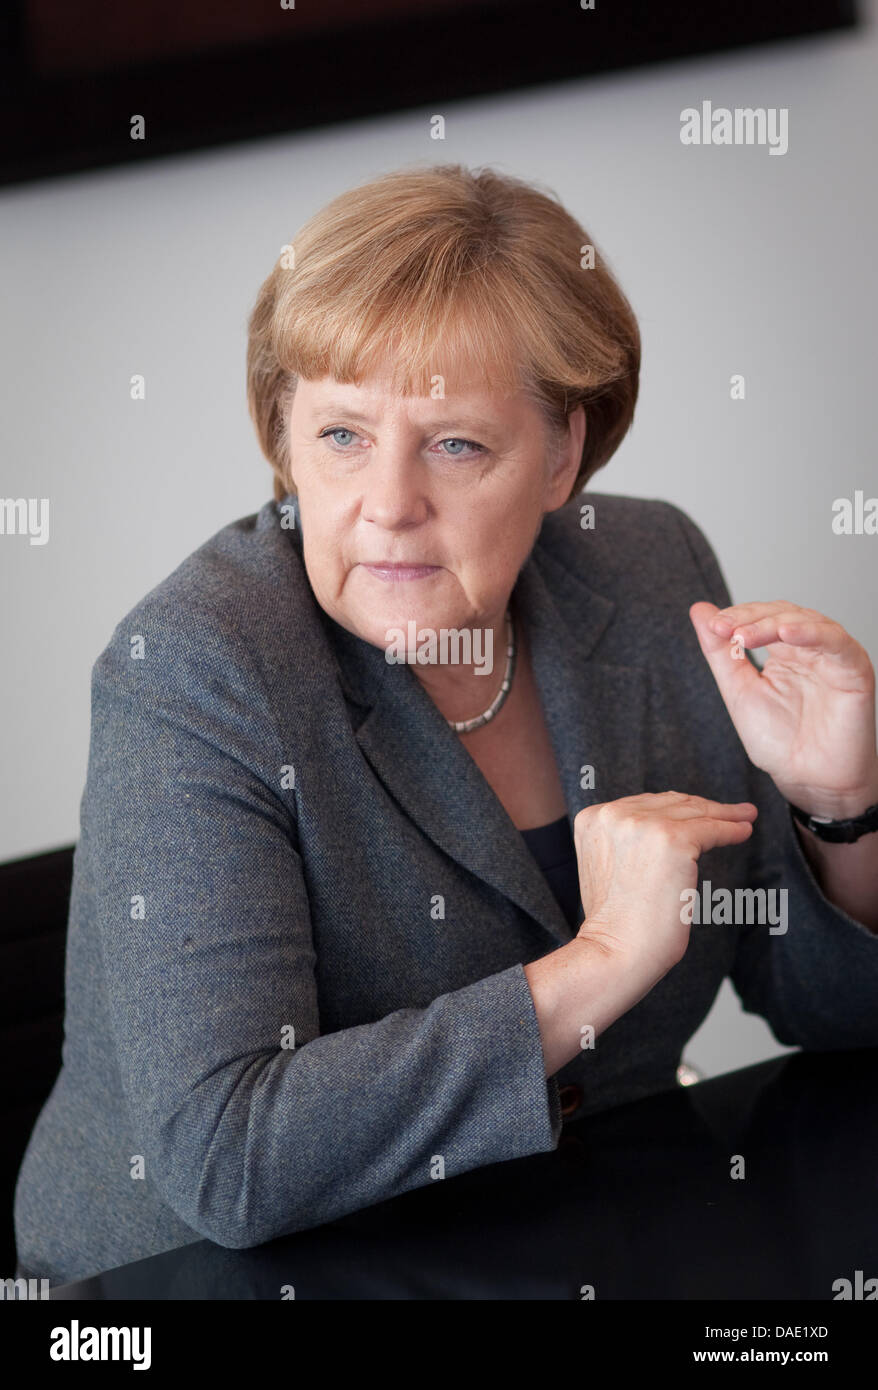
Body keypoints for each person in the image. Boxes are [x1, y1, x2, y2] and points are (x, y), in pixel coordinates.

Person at [14, 164, 878, 1285]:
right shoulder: (193, 671)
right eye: (338, 435)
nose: (385, 502)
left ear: (562, 453)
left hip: (561, 1240)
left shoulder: (652, 569)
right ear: (281, 436)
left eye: (455, 444)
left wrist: (837, 808)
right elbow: (229, 1159)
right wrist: (596, 965)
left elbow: (837, 1017)